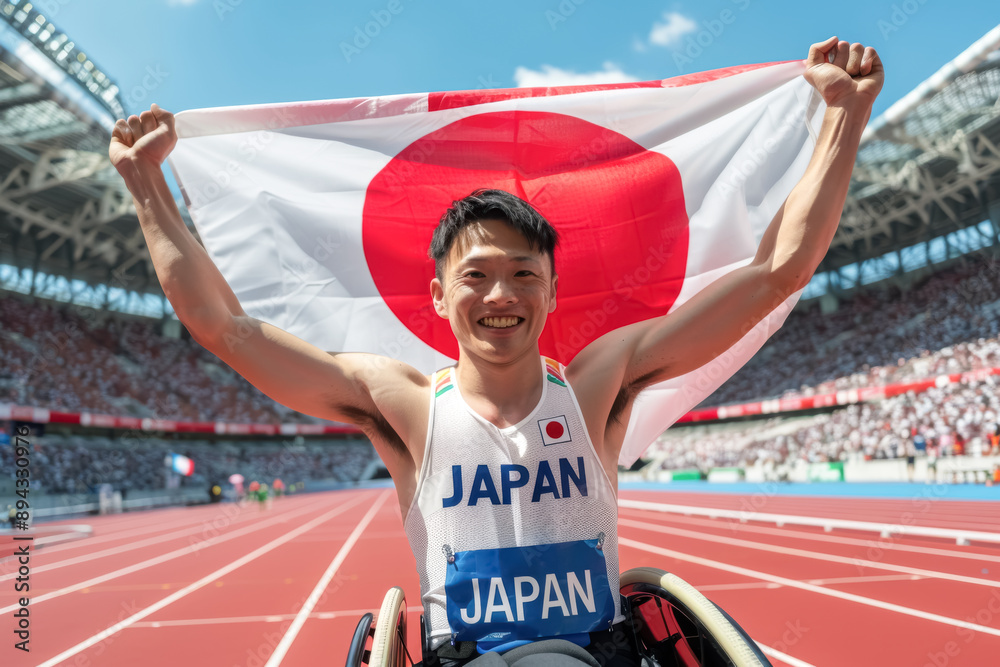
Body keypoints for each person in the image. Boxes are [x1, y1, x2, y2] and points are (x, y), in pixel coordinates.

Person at [109, 37, 882, 666]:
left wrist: (844, 118)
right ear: (441, 297)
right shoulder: (406, 405)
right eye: (475, 276)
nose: (501, 296)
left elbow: (777, 271)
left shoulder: (597, 385)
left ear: (549, 290)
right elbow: (228, 331)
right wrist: (146, 184)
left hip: (594, 656)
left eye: (523, 275)